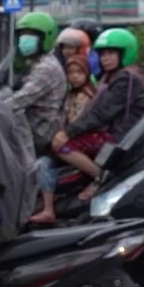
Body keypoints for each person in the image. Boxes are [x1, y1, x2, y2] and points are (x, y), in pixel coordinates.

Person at [46, 28, 144, 201]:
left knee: (61, 146)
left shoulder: (126, 78)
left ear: (125, 53)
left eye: (110, 53)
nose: (105, 58)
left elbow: (102, 112)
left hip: (119, 137)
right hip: (112, 133)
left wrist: (68, 132)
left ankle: (102, 177)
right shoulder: (113, 75)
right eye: (102, 54)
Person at [30, 54, 95, 224]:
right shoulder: (69, 94)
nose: (74, 76)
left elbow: (78, 123)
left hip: (80, 142)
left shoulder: (86, 95)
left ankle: (48, 209)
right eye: (71, 72)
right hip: (69, 139)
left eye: (79, 72)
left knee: (46, 161)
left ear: (86, 73)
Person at [9, 11, 67, 152]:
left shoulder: (47, 68)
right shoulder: (37, 63)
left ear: (46, 38)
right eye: (22, 35)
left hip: (40, 133)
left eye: (31, 35)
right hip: (32, 127)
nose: (24, 39)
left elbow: (20, 100)